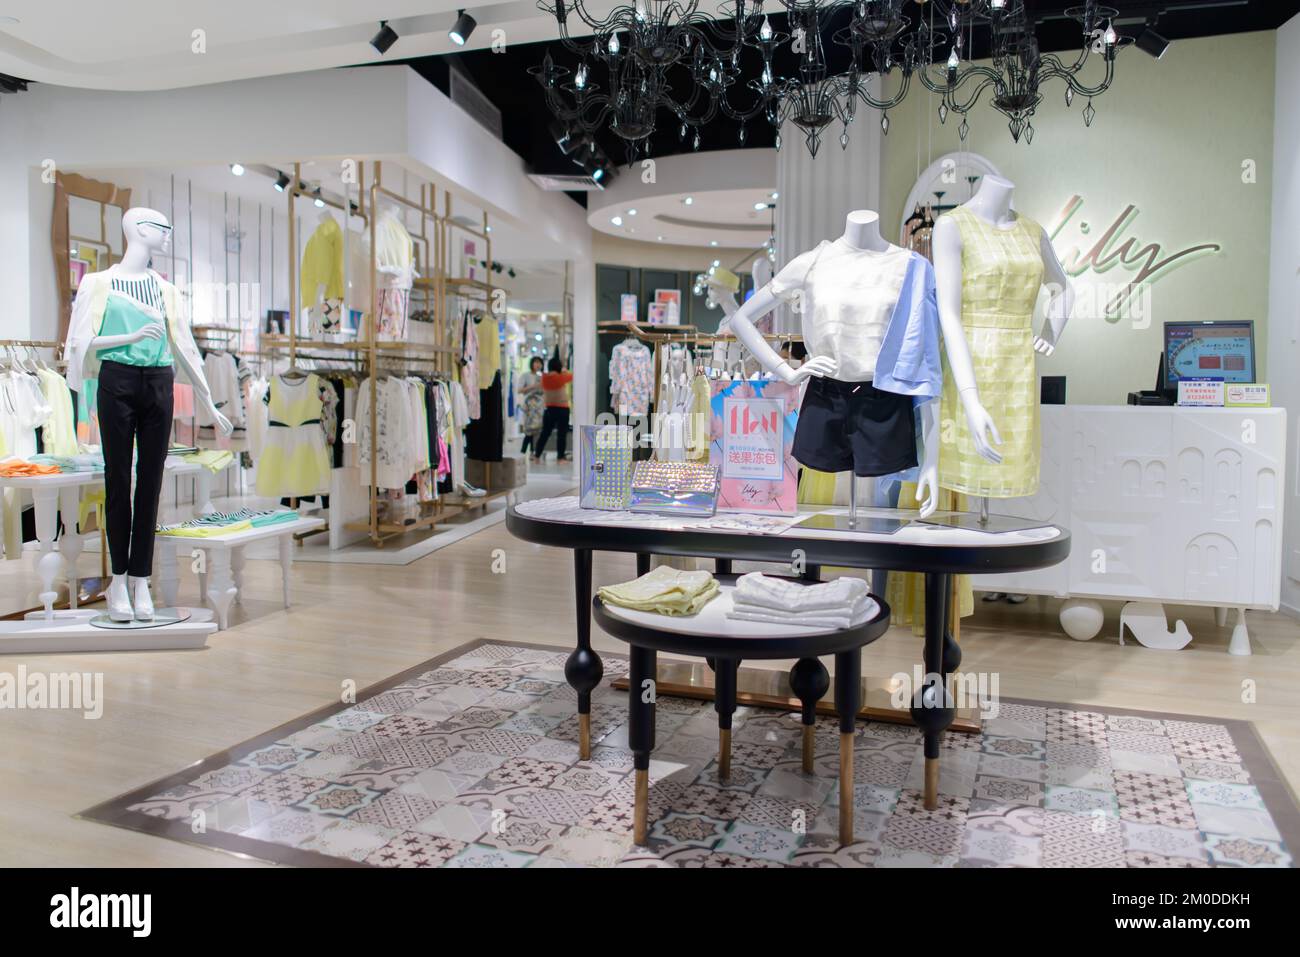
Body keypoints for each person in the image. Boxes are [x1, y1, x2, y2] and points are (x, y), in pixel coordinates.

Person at [533, 357, 573, 463]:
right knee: (561, 434)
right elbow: (572, 376)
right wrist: (564, 370)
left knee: (545, 433)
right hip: (562, 409)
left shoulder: (544, 378)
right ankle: (560, 458)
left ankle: (537, 456)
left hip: (549, 409)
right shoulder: (561, 377)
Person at [518, 356, 545, 456]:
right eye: (536, 362)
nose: (538, 365)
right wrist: (532, 386)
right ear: (532, 364)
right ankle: (523, 451)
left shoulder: (543, 376)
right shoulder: (525, 375)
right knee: (529, 429)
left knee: (537, 429)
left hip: (539, 405)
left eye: (540, 363)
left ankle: (533, 452)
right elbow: (519, 390)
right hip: (529, 405)